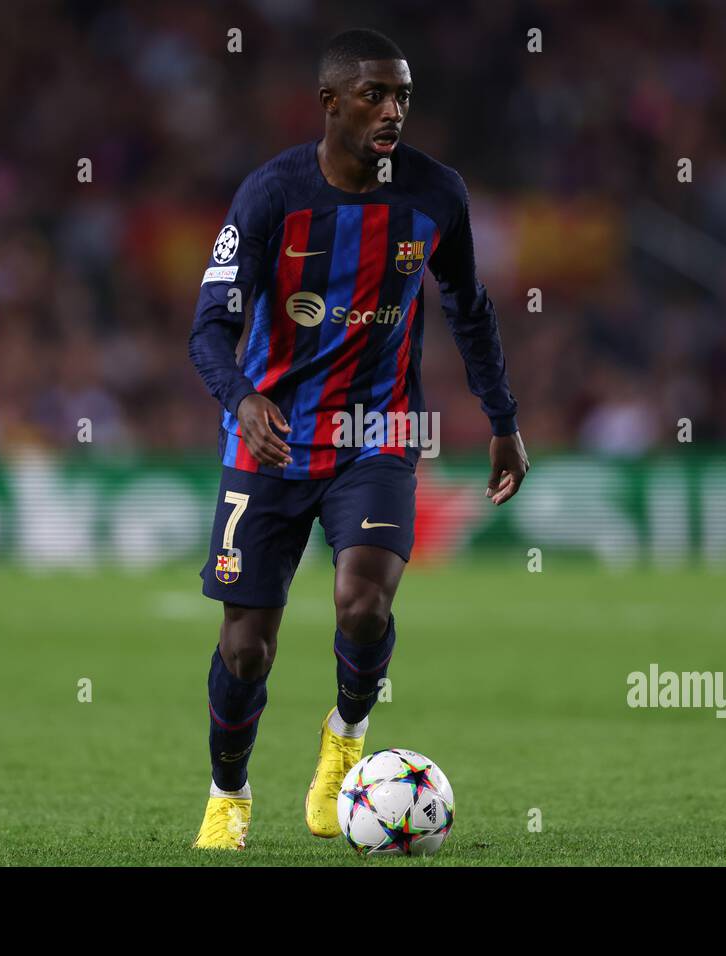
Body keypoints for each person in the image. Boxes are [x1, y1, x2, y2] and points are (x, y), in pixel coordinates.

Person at [186, 27, 528, 850]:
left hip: (377, 432)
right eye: (374, 94)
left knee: (363, 601)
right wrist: (244, 402)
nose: (392, 110)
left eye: (403, 95)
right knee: (244, 651)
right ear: (330, 102)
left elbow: (470, 311)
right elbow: (207, 330)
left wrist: (504, 420)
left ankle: (345, 738)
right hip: (268, 442)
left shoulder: (435, 195)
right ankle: (227, 794)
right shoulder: (271, 197)